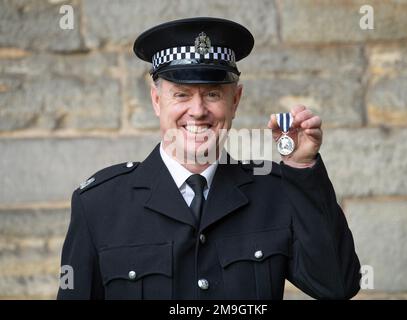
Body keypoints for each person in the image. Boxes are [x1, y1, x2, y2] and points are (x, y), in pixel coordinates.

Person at [57, 17, 361, 300]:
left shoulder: (276, 192)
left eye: (213, 94)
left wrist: (301, 166)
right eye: (181, 94)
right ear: (156, 100)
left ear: (235, 100)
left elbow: (336, 285)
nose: (198, 110)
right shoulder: (99, 204)